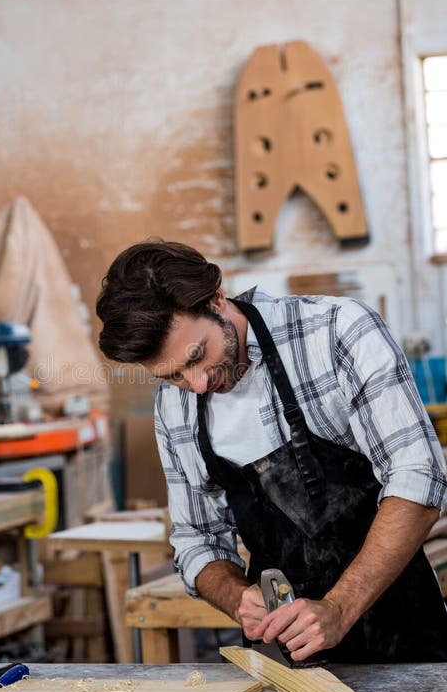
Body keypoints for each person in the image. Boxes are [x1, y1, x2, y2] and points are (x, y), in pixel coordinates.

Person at [96, 239, 447, 664]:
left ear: (217, 299)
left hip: (404, 634)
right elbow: (198, 539)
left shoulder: (336, 332)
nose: (198, 384)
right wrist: (237, 598)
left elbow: (418, 477)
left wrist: (338, 607)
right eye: (174, 375)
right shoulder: (175, 406)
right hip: (285, 660)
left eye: (198, 355)